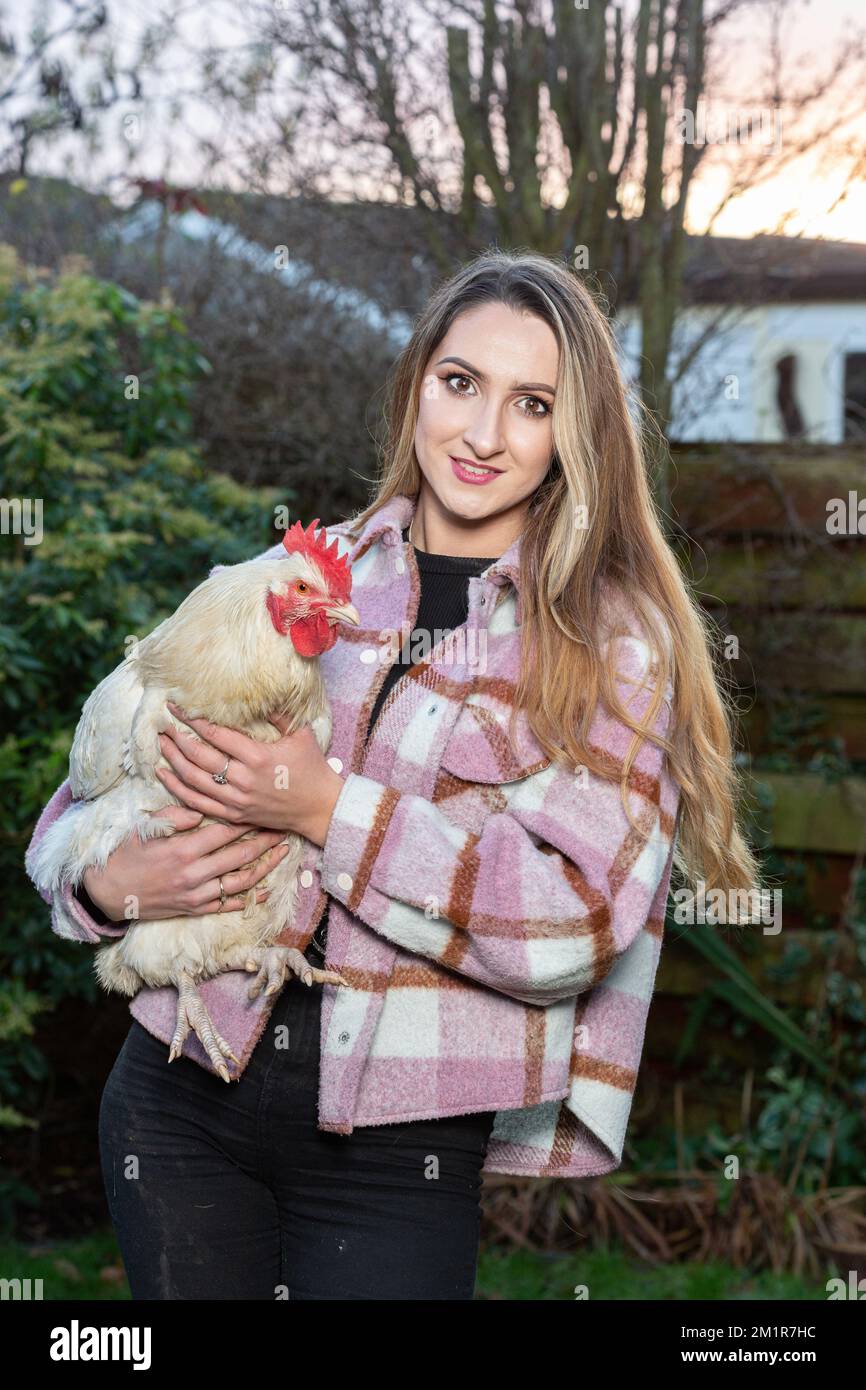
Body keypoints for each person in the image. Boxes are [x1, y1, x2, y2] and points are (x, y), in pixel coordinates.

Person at [24, 249, 760, 1300]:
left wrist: (327, 810)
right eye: (459, 382)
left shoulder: (605, 643)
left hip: (395, 1148)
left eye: (531, 403)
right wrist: (112, 887)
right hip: (179, 1094)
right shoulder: (305, 576)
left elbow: (571, 920)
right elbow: (83, 811)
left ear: (573, 432)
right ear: (418, 379)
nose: (481, 432)